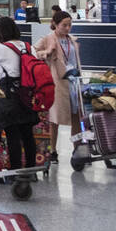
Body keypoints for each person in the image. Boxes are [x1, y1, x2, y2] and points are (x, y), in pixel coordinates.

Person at [0, 17, 37, 171]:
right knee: (27, 134)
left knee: (12, 135)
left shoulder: (3, 48)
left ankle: (16, 170)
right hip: (28, 95)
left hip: (10, 97)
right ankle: (31, 169)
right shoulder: (29, 47)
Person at [33, 10, 81, 162]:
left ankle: (77, 149)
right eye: (64, 25)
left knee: (77, 116)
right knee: (55, 118)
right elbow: (34, 53)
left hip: (74, 82)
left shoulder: (72, 40)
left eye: (70, 25)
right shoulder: (48, 39)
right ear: (55, 24)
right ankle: (53, 150)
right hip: (57, 83)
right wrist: (47, 52)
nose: (68, 28)